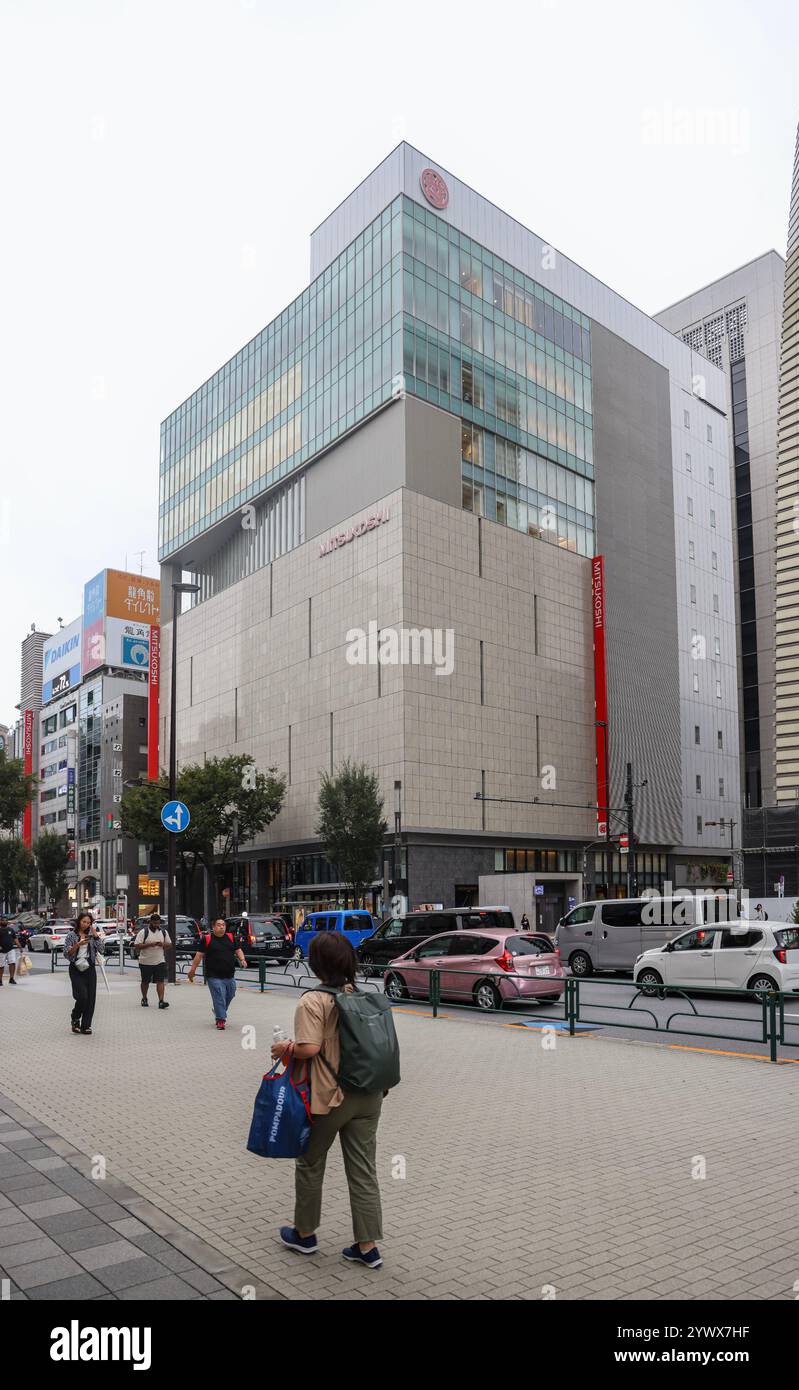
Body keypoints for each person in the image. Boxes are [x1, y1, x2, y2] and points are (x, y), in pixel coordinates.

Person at [275, 933, 386, 1270]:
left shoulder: (313, 1001)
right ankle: (367, 1247)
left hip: (329, 1097)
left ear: (317, 963)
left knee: (310, 1163)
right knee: (363, 1169)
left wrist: (284, 1049)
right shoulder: (361, 995)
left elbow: (309, 1049)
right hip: (368, 1094)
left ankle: (305, 1234)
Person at [187, 918, 247, 1030]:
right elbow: (199, 956)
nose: (222, 927)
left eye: (223, 925)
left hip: (229, 975)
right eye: (219, 925)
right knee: (219, 997)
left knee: (230, 994)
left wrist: (242, 959)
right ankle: (221, 1020)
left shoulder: (231, 937)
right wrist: (192, 970)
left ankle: (218, 1010)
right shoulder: (207, 939)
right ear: (213, 927)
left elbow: (238, 950)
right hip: (213, 975)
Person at [63, 912, 105, 1035]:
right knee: (82, 996)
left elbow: (102, 949)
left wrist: (96, 935)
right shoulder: (71, 935)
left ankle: (86, 1025)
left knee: (91, 999)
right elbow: (67, 953)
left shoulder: (92, 936)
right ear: (79, 922)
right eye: (84, 922)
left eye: (88, 923)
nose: (86, 925)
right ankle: (75, 1017)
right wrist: (78, 944)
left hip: (89, 968)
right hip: (76, 968)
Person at [133, 912, 172, 1009]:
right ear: (150, 922)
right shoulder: (143, 932)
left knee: (160, 981)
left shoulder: (163, 932)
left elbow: (169, 945)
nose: (156, 925)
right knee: (145, 981)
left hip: (159, 961)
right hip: (145, 962)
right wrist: (150, 944)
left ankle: (161, 1001)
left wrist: (162, 944)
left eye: (158, 923)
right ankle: (144, 998)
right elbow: (137, 946)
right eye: (155, 923)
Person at [0, 918, 19, 986]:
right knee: (1, 966)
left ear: (7, 922)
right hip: (1, 951)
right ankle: (0, 980)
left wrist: (19, 946)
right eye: (3, 920)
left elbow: (15, 938)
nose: (4, 921)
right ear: (0, 921)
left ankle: (11, 978)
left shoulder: (11, 930)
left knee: (12, 963)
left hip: (11, 949)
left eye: (6, 920)